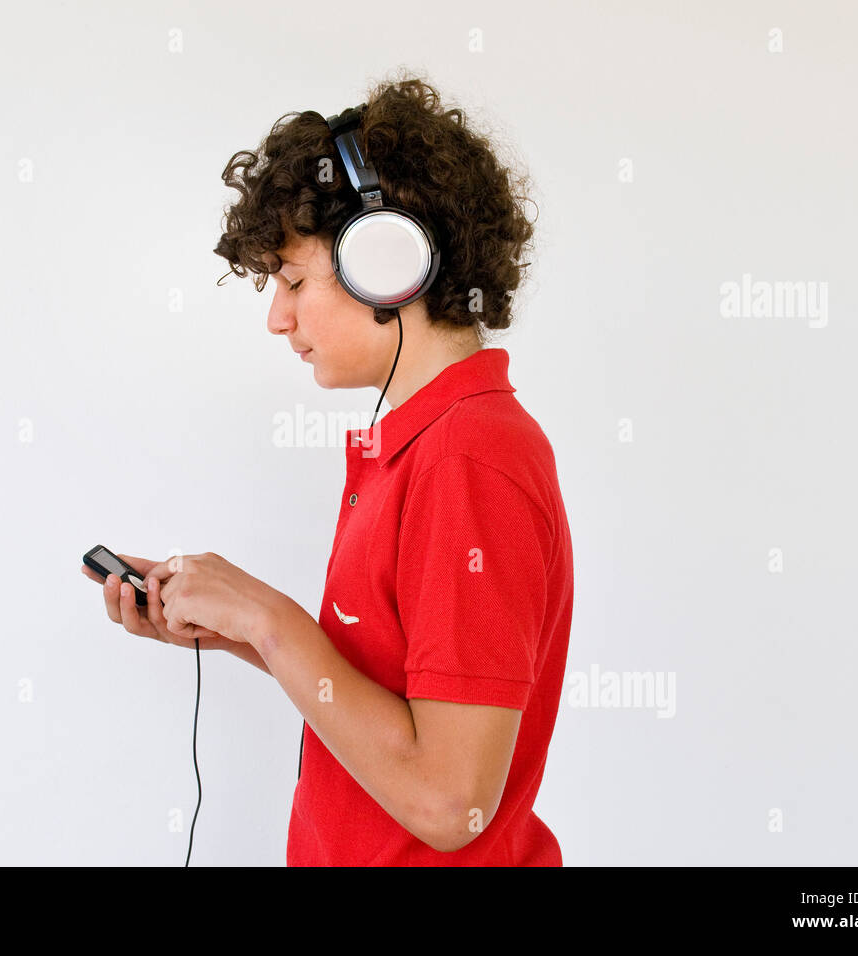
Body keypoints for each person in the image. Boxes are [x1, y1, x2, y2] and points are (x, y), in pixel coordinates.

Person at [83, 74, 573, 865]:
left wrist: (272, 622)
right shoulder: (429, 443)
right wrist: (238, 628)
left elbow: (452, 803)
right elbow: (396, 697)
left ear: (389, 262)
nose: (277, 318)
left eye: (293, 281)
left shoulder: (467, 459)